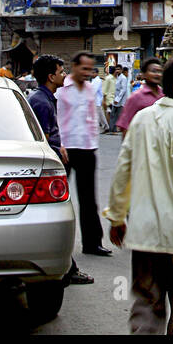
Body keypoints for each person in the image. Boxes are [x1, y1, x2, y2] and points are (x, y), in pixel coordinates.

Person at [106, 54, 173, 335]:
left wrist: (117, 216)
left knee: (145, 309)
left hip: (143, 236)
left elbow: (122, 171)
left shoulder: (141, 119)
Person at [27, 57, 92, 287]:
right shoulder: (41, 102)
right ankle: (65, 268)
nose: (64, 75)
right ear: (50, 76)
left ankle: (67, 267)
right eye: (61, 71)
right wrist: (58, 148)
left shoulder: (44, 98)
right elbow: (41, 139)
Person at [57, 51, 112, 257]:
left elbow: (91, 118)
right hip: (66, 148)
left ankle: (92, 243)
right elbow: (56, 117)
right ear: (74, 66)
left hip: (87, 148)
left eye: (90, 69)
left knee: (89, 198)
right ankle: (58, 246)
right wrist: (58, 144)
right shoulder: (62, 89)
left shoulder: (89, 89)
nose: (87, 73)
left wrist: (93, 142)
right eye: (84, 68)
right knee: (60, 198)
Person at [118, 58, 164, 132]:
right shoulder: (136, 97)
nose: (157, 74)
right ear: (144, 75)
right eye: (153, 71)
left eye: (160, 71)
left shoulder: (164, 96)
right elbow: (125, 127)